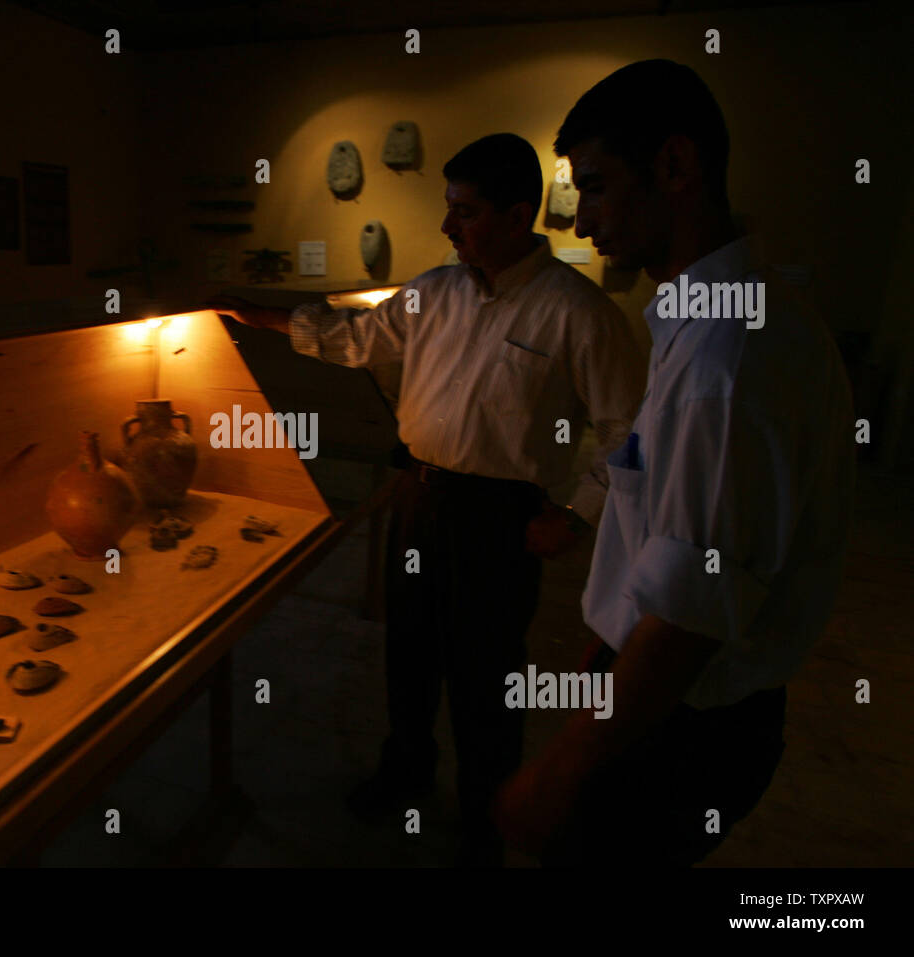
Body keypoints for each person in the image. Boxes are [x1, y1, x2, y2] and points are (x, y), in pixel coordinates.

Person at [209, 133, 645, 866]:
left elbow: (628, 429)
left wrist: (577, 513)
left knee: (486, 672)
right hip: (418, 494)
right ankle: (404, 773)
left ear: (516, 215)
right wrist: (260, 314)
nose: (448, 227)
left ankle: (485, 814)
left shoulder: (577, 312)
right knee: (408, 652)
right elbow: (353, 337)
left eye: (464, 212)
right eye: (449, 209)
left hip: (500, 518)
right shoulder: (434, 292)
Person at [493, 60, 856, 866]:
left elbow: (687, 624)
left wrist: (553, 772)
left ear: (676, 167)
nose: (581, 223)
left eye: (595, 187)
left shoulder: (725, 359)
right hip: (666, 702)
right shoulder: (715, 322)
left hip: (680, 723)